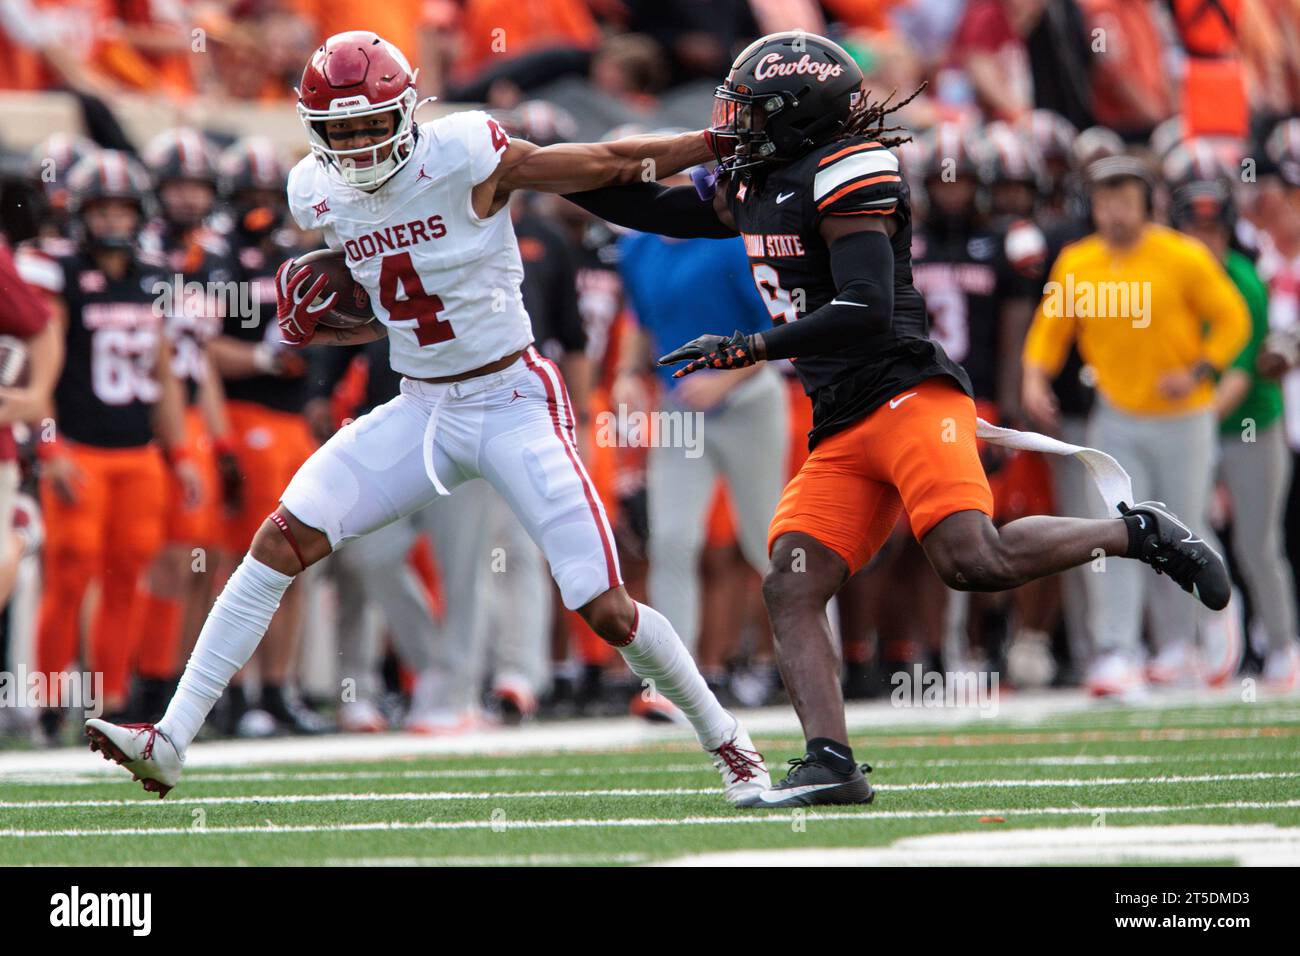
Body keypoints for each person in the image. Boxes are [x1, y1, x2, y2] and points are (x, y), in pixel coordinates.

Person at [84, 31, 768, 804]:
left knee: (604, 607)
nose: (359, 142)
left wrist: (712, 141)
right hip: (422, 404)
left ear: (407, 110)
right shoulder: (316, 189)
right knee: (280, 541)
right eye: (340, 132)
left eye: (372, 123)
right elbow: (400, 307)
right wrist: (341, 320)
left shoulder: (464, 151)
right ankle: (171, 737)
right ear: (315, 133)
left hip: (513, 398)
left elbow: (606, 167)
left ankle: (731, 744)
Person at [565, 31, 1232, 807]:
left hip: (908, 393)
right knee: (792, 580)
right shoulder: (759, 182)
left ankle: (1134, 532)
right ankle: (830, 761)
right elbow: (649, 206)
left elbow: (864, 306)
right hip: (843, 420)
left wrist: (753, 343)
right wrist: (536, 172)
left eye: (753, 112)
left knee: (968, 558)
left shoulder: (850, 170)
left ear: (800, 115)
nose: (736, 127)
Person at [1023, 157, 1251, 695]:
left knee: (1184, 524)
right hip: (1115, 415)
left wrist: (1201, 368)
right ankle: (1117, 651)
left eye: (1124, 199)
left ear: (1146, 203)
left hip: (1184, 416)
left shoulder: (1183, 255)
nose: (1114, 211)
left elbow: (1233, 318)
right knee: (1114, 531)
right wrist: (1034, 380)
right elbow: (1048, 331)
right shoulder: (1077, 262)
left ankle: (1186, 642)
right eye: (1104, 200)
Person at [16, 151, 199, 740]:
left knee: (127, 577)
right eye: (102, 209)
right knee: (70, 576)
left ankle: (112, 700)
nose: (113, 221)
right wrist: (51, 449)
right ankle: (47, 703)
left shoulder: (152, 275)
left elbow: (165, 373)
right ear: (81, 214)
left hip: (139, 455)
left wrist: (182, 454)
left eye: (123, 208)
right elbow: (41, 370)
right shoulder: (61, 274)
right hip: (80, 450)